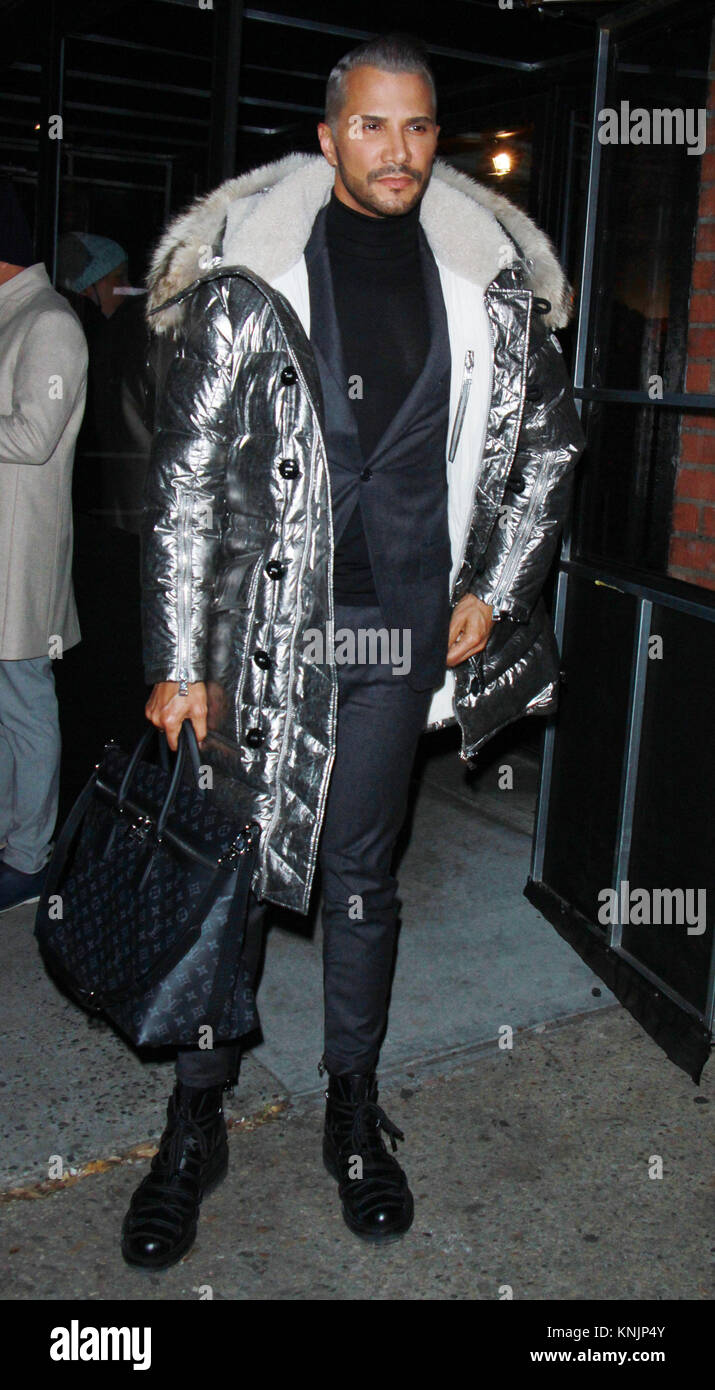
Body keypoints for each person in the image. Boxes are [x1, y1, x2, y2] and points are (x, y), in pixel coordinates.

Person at [122, 34, 585, 1268]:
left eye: (420, 127)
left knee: (364, 877)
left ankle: (349, 1106)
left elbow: (545, 448)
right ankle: (195, 1116)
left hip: (395, 634)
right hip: (261, 632)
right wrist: (181, 654)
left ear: (438, 138)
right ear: (328, 137)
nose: (398, 150)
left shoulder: (483, 287)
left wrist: (494, 581)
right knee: (228, 876)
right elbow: (185, 488)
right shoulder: (249, 281)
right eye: (372, 127)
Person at [0, 183, 88, 913]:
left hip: (18, 562)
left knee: (26, 704)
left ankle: (31, 860)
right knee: (10, 707)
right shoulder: (17, 315)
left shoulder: (49, 320)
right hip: (4, 550)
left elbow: (31, 439)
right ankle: (14, 840)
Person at [57, 232, 156, 534]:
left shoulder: (132, 331)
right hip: (125, 487)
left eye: (88, 287)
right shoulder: (127, 327)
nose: (85, 295)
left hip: (137, 489)